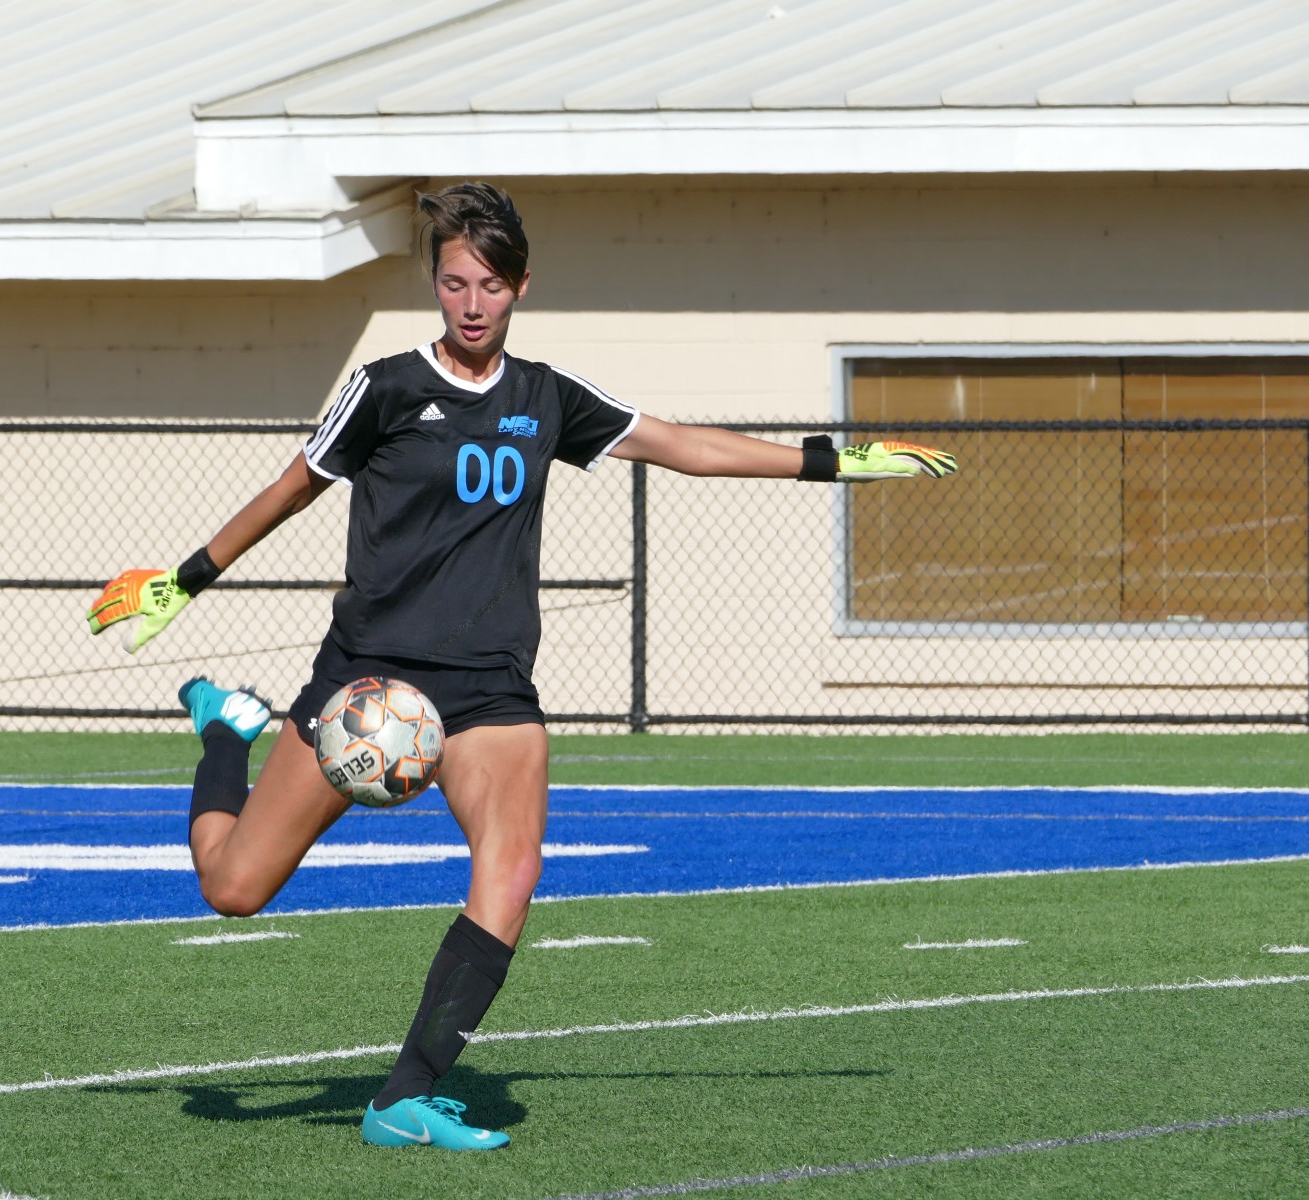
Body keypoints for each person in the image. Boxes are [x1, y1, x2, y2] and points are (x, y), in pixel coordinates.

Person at [88, 182, 955, 1151]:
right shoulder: (384, 388)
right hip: (365, 678)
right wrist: (184, 580)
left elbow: (685, 447)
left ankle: (403, 1097)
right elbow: (290, 490)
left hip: (490, 685)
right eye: (454, 282)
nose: (470, 302)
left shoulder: (548, 398)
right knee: (233, 889)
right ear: (435, 284)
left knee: (512, 869)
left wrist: (832, 460)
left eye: (490, 285)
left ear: (520, 288)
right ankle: (222, 728)